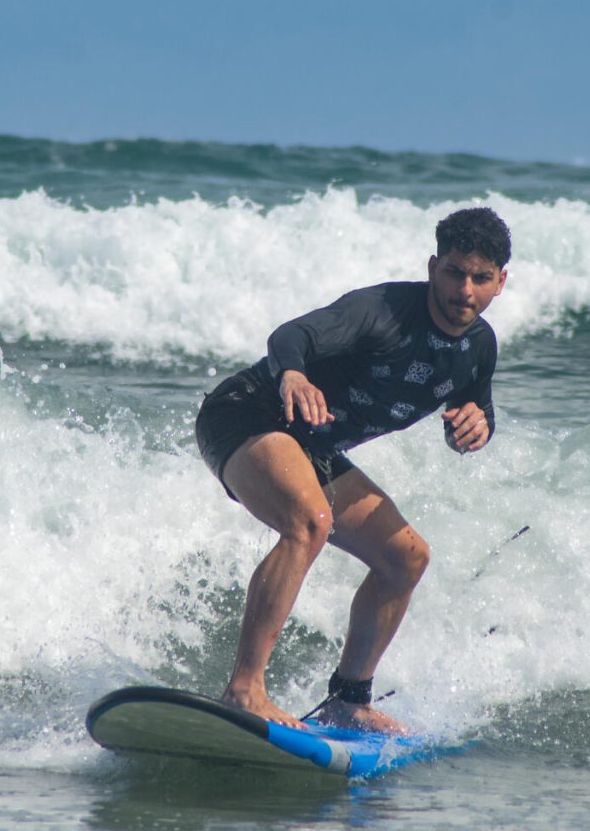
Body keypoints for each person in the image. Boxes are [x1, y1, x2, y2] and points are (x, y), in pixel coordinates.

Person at [194, 206, 510, 733]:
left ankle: (349, 700)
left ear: (501, 282)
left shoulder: (478, 348)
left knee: (406, 558)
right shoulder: (382, 309)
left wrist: (478, 427)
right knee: (309, 521)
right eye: (455, 272)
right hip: (246, 412)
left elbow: (475, 410)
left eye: (481, 278)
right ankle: (244, 690)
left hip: (311, 445)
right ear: (433, 267)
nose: (465, 290)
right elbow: (291, 335)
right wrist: (293, 374)